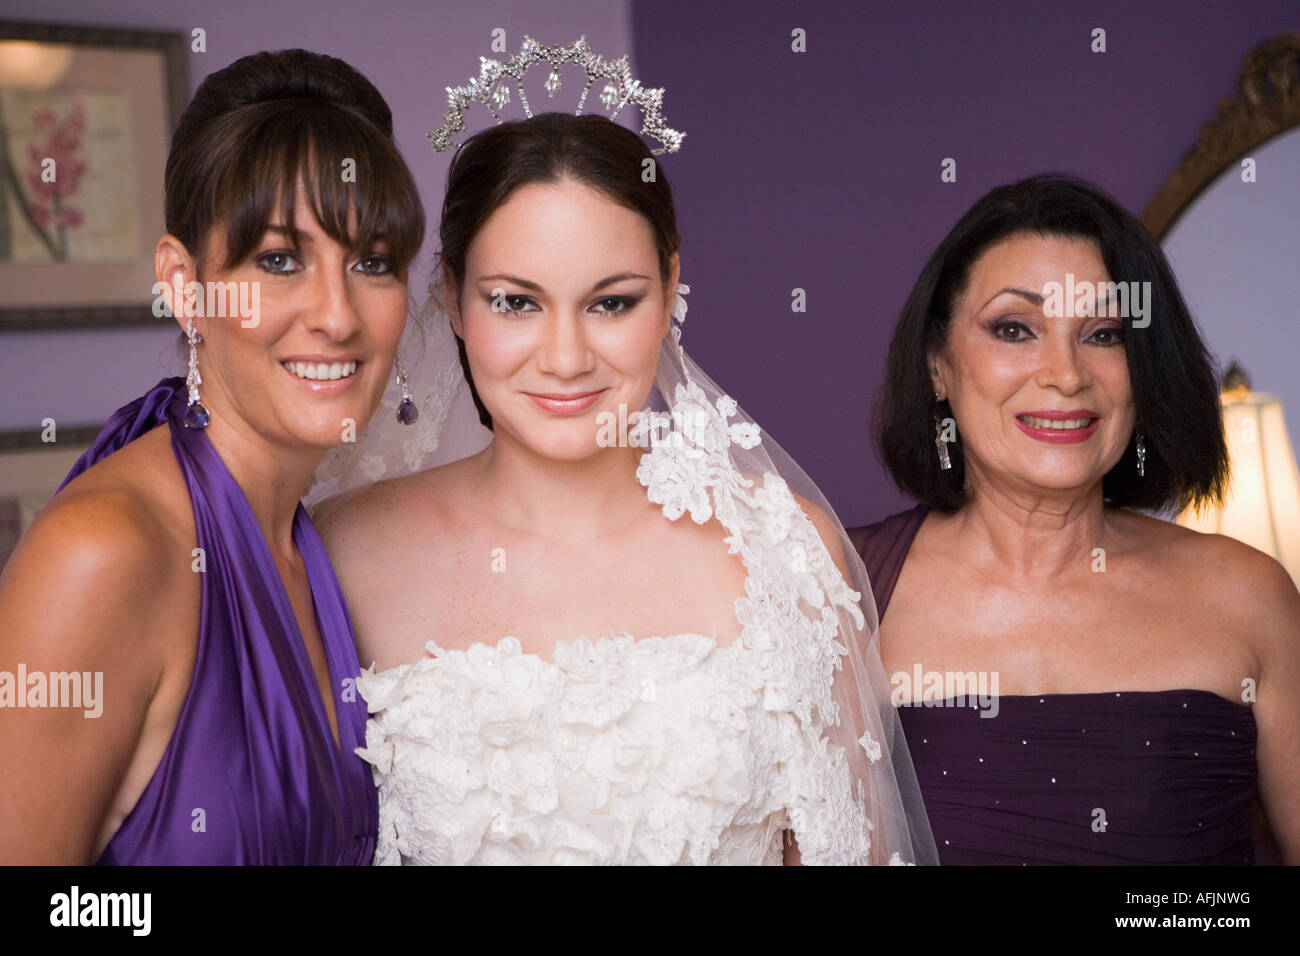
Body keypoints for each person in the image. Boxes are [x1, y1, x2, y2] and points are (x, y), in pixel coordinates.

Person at [312, 37, 937, 866]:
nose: (566, 357)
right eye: (516, 303)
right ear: (455, 302)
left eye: (610, 303)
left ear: (671, 289)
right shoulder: (339, 553)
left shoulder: (784, 554)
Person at [0, 49, 424, 864]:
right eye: (278, 259)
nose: (337, 315)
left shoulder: (312, 547)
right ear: (184, 285)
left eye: (372, 262)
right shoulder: (104, 554)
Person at [851, 173, 1300, 864]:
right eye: (1014, 328)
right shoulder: (840, 594)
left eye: (1103, 334)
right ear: (939, 363)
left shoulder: (1253, 596)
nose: (1065, 373)